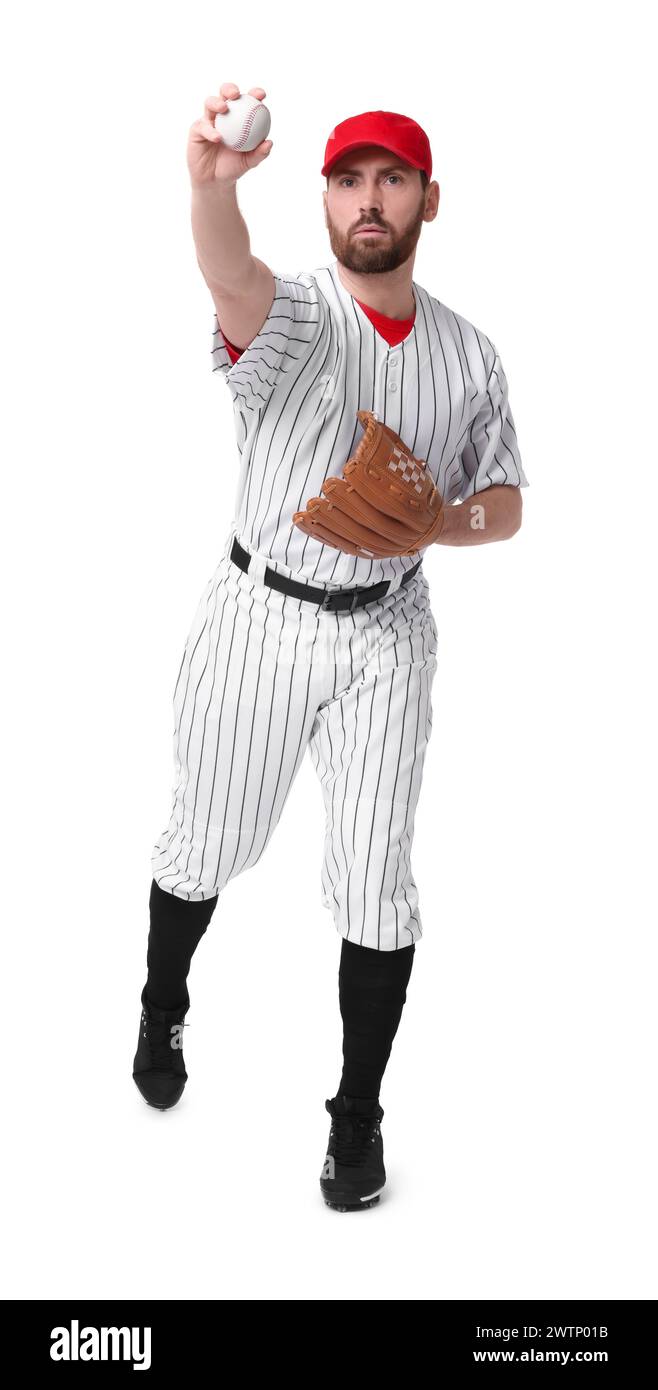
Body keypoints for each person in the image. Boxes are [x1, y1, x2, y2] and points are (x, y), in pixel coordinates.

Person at [132, 85, 529, 1213]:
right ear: (324, 198)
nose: (370, 198)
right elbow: (230, 274)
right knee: (205, 844)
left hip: (389, 633)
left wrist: (446, 523)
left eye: (392, 178)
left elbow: (504, 499)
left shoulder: (470, 352)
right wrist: (211, 192)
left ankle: (356, 1116)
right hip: (261, 617)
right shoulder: (296, 315)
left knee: (376, 887)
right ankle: (163, 998)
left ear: (426, 200)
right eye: (350, 178)